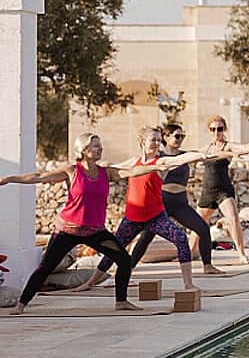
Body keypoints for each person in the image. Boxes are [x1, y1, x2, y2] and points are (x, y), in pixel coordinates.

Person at [0, 133, 178, 314]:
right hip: (67, 231)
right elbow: (38, 177)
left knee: (124, 260)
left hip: (94, 232)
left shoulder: (106, 172)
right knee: (46, 267)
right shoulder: (71, 171)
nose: (101, 149)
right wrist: (9, 179)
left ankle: (121, 301)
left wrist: (155, 166)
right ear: (83, 150)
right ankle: (21, 304)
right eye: (95, 146)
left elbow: (131, 171)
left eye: (100, 145)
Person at [76, 127, 211, 292]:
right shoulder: (134, 162)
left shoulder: (161, 162)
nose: (157, 143)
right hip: (132, 218)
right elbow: (113, 169)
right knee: (113, 249)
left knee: (181, 239)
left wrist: (201, 155)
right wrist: (102, 165)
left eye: (159, 140)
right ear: (142, 142)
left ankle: (189, 284)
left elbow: (180, 159)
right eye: (153, 140)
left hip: (155, 217)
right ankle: (90, 283)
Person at [126, 123, 236, 276]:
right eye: (177, 136)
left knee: (203, 228)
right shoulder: (159, 158)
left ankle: (208, 266)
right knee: (146, 237)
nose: (179, 140)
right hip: (162, 202)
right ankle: (129, 268)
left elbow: (207, 155)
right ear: (166, 137)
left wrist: (232, 152)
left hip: (180, 203)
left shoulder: (185, 155)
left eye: (182, 136)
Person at [197, 115, 249, 264]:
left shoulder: (228, 147)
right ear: (209, 130)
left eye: (219, 129)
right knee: (198, 225)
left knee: (233, 219)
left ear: (224, 129)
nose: (216, 132)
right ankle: (189, 254)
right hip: (207, 191)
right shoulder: (206, 149)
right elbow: (189, 155)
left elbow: (242, 148)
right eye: (213, 129)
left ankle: (241, 254)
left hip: (223, 191)